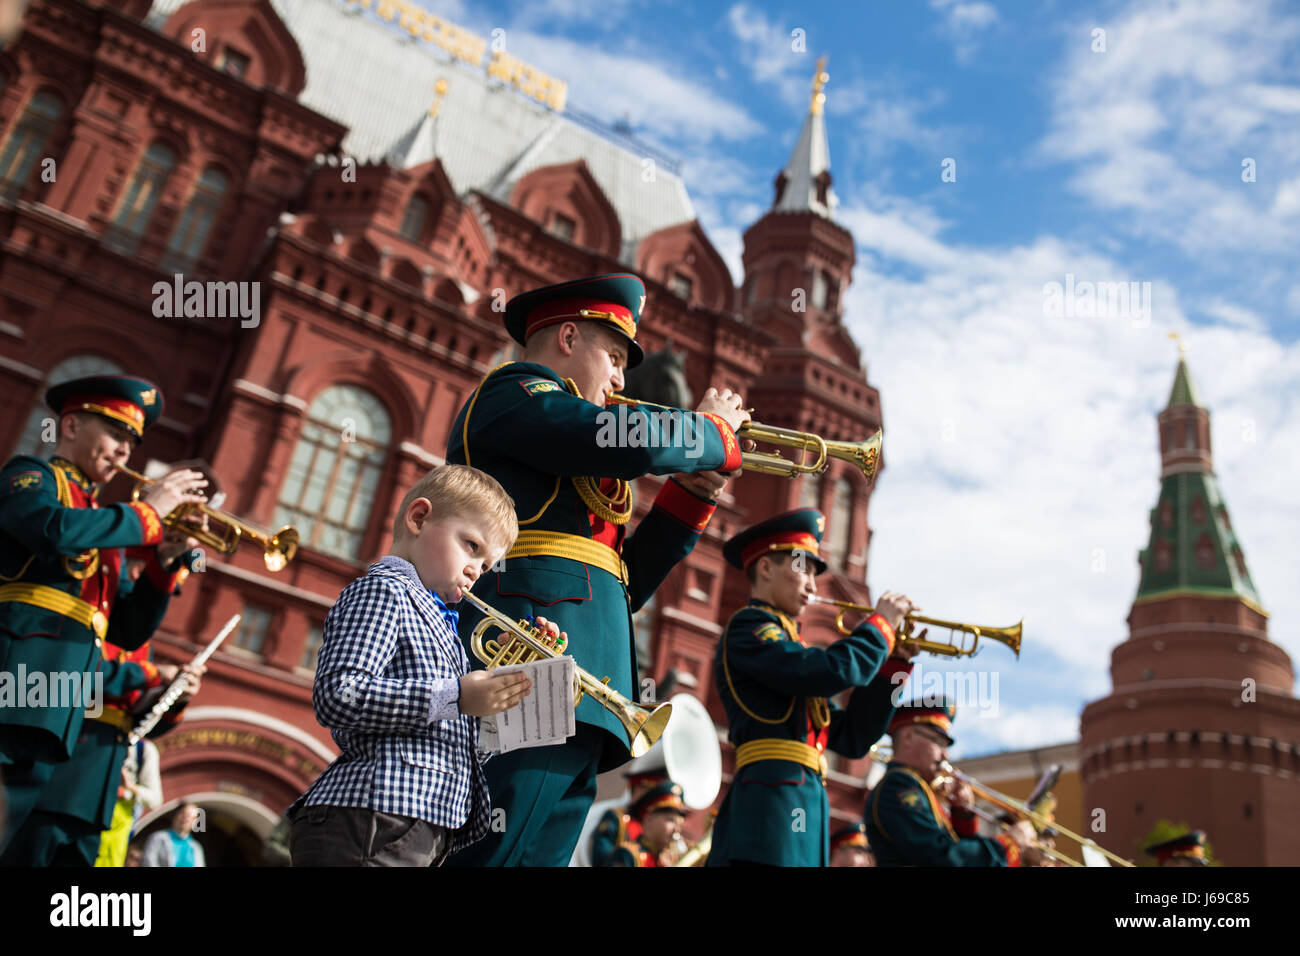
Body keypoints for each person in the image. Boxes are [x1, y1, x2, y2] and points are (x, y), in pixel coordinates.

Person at [444, 273, 749, 867]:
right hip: (532, 657)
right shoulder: (513, 393)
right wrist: (708, 433)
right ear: (565, 337)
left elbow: (622, 581)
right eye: (613, 358)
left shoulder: (576, 444)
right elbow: (608, 437)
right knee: (497, 849)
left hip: (594, 683)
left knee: (537, 852)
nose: (618, 382)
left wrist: (690, 495)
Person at [287, 465, 535, 867]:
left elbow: (451, 737)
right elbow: (338, 694)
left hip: (418, 826)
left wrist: (503, 692)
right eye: (471, 545)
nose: (476, 571)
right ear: (419, 518)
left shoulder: (444, 626)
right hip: (373, 816)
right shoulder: (387, 589)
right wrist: (457, 695)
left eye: (487, 565)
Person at [0, 375, 207, 857]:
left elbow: (127, 630)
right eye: (115, 434)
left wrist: (165, 561)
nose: (123, 453)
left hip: (59, 711)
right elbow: (53, 530)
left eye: (132, 443)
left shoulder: (103, 532)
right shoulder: (30, 477)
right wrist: (147, 516)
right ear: (70, 425)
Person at [707, 508, 916, 867]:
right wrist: (880, 628)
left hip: (802, 805)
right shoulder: (750, 627)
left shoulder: (791, 648)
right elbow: (825, 671)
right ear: (766, 568)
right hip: (771, 807)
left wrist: (894, 667)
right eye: (803, 568)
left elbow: (853, 737)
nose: (813, 586)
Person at [865, 697, 1037, 866]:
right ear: (908, 737)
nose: (945, 755)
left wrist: (962, 814)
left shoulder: (917, 787)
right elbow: (941, 857)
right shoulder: (900, 785)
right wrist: (1008, 844)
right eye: (939, 742)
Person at [96, 736, 163, 868]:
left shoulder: (143, 750)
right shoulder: (101, 736)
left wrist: (129, 787)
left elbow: (155, 799)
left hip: (116, 829)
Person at [589, 767, 669, 867]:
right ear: (636, 789)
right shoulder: (617, 818)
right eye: (649, 793)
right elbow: (600, 859)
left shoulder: (650, 823)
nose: (651, 800)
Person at [603, 780, 687, 867]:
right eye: (671, 820)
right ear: (648, 819)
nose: (677, 829)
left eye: (679, 824)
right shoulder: (627, 856)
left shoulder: (666, 861)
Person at [141, 802, 205, 867]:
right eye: (184, 814)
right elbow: (148, 862)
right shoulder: (157, 838)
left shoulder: (196, 847)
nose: (186, 818)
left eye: (192, 817)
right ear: (175, 815)